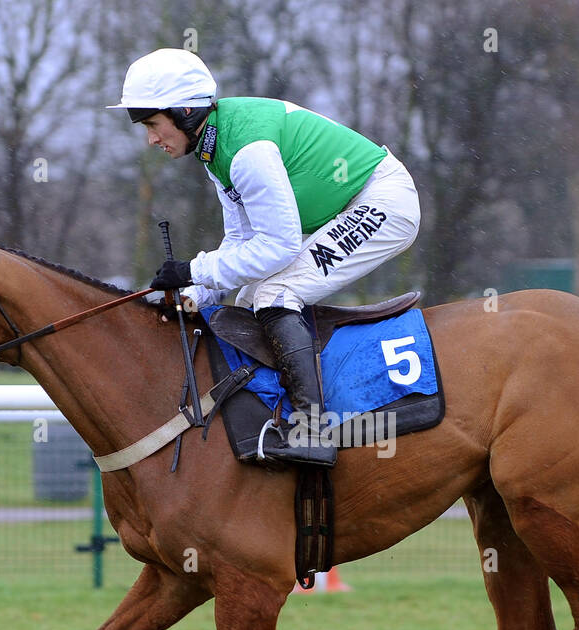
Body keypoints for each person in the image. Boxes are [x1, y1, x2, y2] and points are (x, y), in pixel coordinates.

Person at [108, 48, 421, 467]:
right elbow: (242, 240)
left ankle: (311, 429)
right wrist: (195, 292)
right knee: (248, 298)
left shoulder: (244, 150)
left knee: (273, 293)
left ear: (184, 110)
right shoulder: (214, 146)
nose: (151, 139)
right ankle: (276, 415)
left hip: (385, 201)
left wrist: (192, 269)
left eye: (152, 123)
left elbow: (278, 246)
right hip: (354, 203)